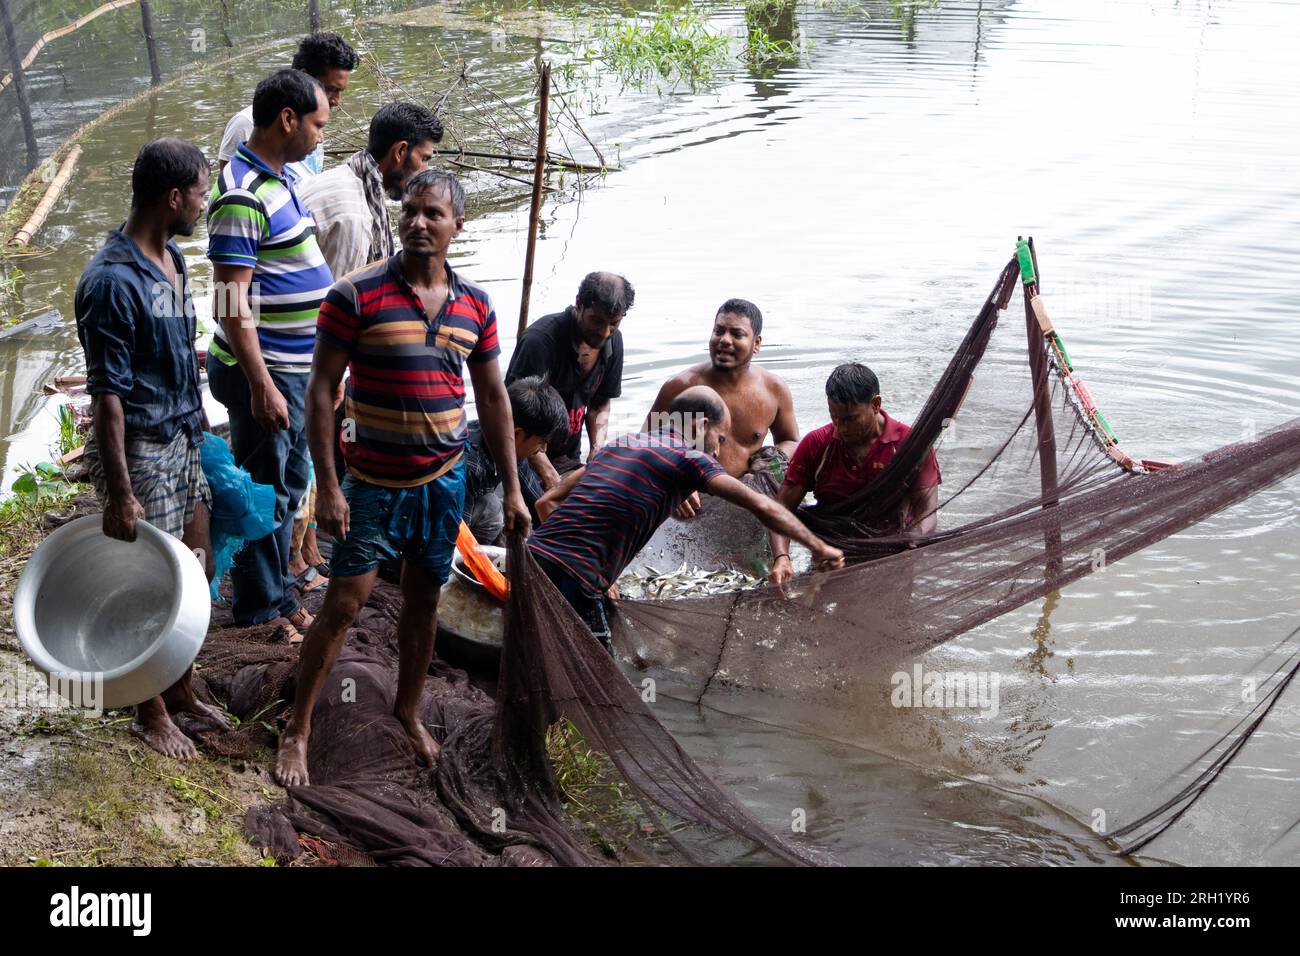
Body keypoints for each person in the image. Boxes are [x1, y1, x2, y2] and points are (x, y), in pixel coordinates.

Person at [275, 170, 529, 787]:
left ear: (456, 226)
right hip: (369, 482)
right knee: (342, 604)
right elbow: (319, 394)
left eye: (433, 214)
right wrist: (328, 487)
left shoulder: (476, 305)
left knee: (424, 600)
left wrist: (517, 489)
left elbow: (493, 399)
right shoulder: (354, 295)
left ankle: (409, 712)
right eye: (410, 211)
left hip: (442, 482)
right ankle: (298, 730)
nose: (418, 223)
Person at [74, 137, 229, 759]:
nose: (205, 203)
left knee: (199, 566)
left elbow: (173, 346)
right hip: (143, 445)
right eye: (200, 193)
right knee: (150, 584)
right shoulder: (111, 283)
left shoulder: (171, 259)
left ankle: (182, 685)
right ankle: (150, 708)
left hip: (185, 433)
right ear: (172, 198)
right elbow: (108, 395)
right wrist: (120, 491)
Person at [528, 386, 844, 647]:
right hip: (577, 580)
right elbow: (762, 506)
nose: (719, 452)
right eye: (720, 439)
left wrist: (597, 570)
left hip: (531, 558)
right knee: (597, 684)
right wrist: (817, 546)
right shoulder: (689, 458)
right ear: (701, 425)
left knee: (539, 651)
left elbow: (546, 502)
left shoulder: (619, 444)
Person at [206, 69, 333, 639]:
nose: (321, 137)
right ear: (287, 119)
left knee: (289, 481)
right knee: (267, 488)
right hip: (265, 373)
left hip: (294, 370)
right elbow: (230, 302)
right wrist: (261, 385)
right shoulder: (242, 195)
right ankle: (261, 609)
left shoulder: (276, 179)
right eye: (317, 124)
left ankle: (277, 592)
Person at [768, 363, 941, 585]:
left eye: (850, 419)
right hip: (831, 557)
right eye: (834, 418)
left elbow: (927, 511)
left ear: (876, 404)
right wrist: (782, 558)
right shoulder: (817, 445)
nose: (841, 428)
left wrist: (913, 539)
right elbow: (781, 511)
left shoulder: (910, 445)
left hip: (893, 558)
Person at [645, 298, 799, 518]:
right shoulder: (680, 387)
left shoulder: (774, 390)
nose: (724, 340)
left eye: (736, 334)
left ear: (756, 343)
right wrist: (672, 482)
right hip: (695, 501)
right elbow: (644, 446)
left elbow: (792, 440)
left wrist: (772, 459)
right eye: (719, 331)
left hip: (746, 498)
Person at [505, 271, 633, 486]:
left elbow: (600, 403)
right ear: (579, 304)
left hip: (566, 455)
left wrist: (597, 450)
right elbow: (515, 415)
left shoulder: (613, 341)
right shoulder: (540, 341)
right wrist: (548, 473)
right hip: (524, 452)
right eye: (597, 321)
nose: (604, 332)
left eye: (613, 323)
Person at [298, 101, 443, 279]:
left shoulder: (346, 177)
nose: (425, 170)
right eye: (424, 158)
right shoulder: (352, 215)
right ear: (400, 151)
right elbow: (335, 301)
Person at [217, 31, 357, 179]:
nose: (336, 100)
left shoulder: (311, 123)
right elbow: (230, 184)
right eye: (330, 89)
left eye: (340, 91)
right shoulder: (246, 124)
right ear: (306, 77)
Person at [462, 376, 569, 545]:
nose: (543, 450)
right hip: (438, 525)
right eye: (541, 442)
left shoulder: (514, 451)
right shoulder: (470, 465)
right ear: (517, 433)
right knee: (492, 508)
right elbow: (453, 536)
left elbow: (538, 500)